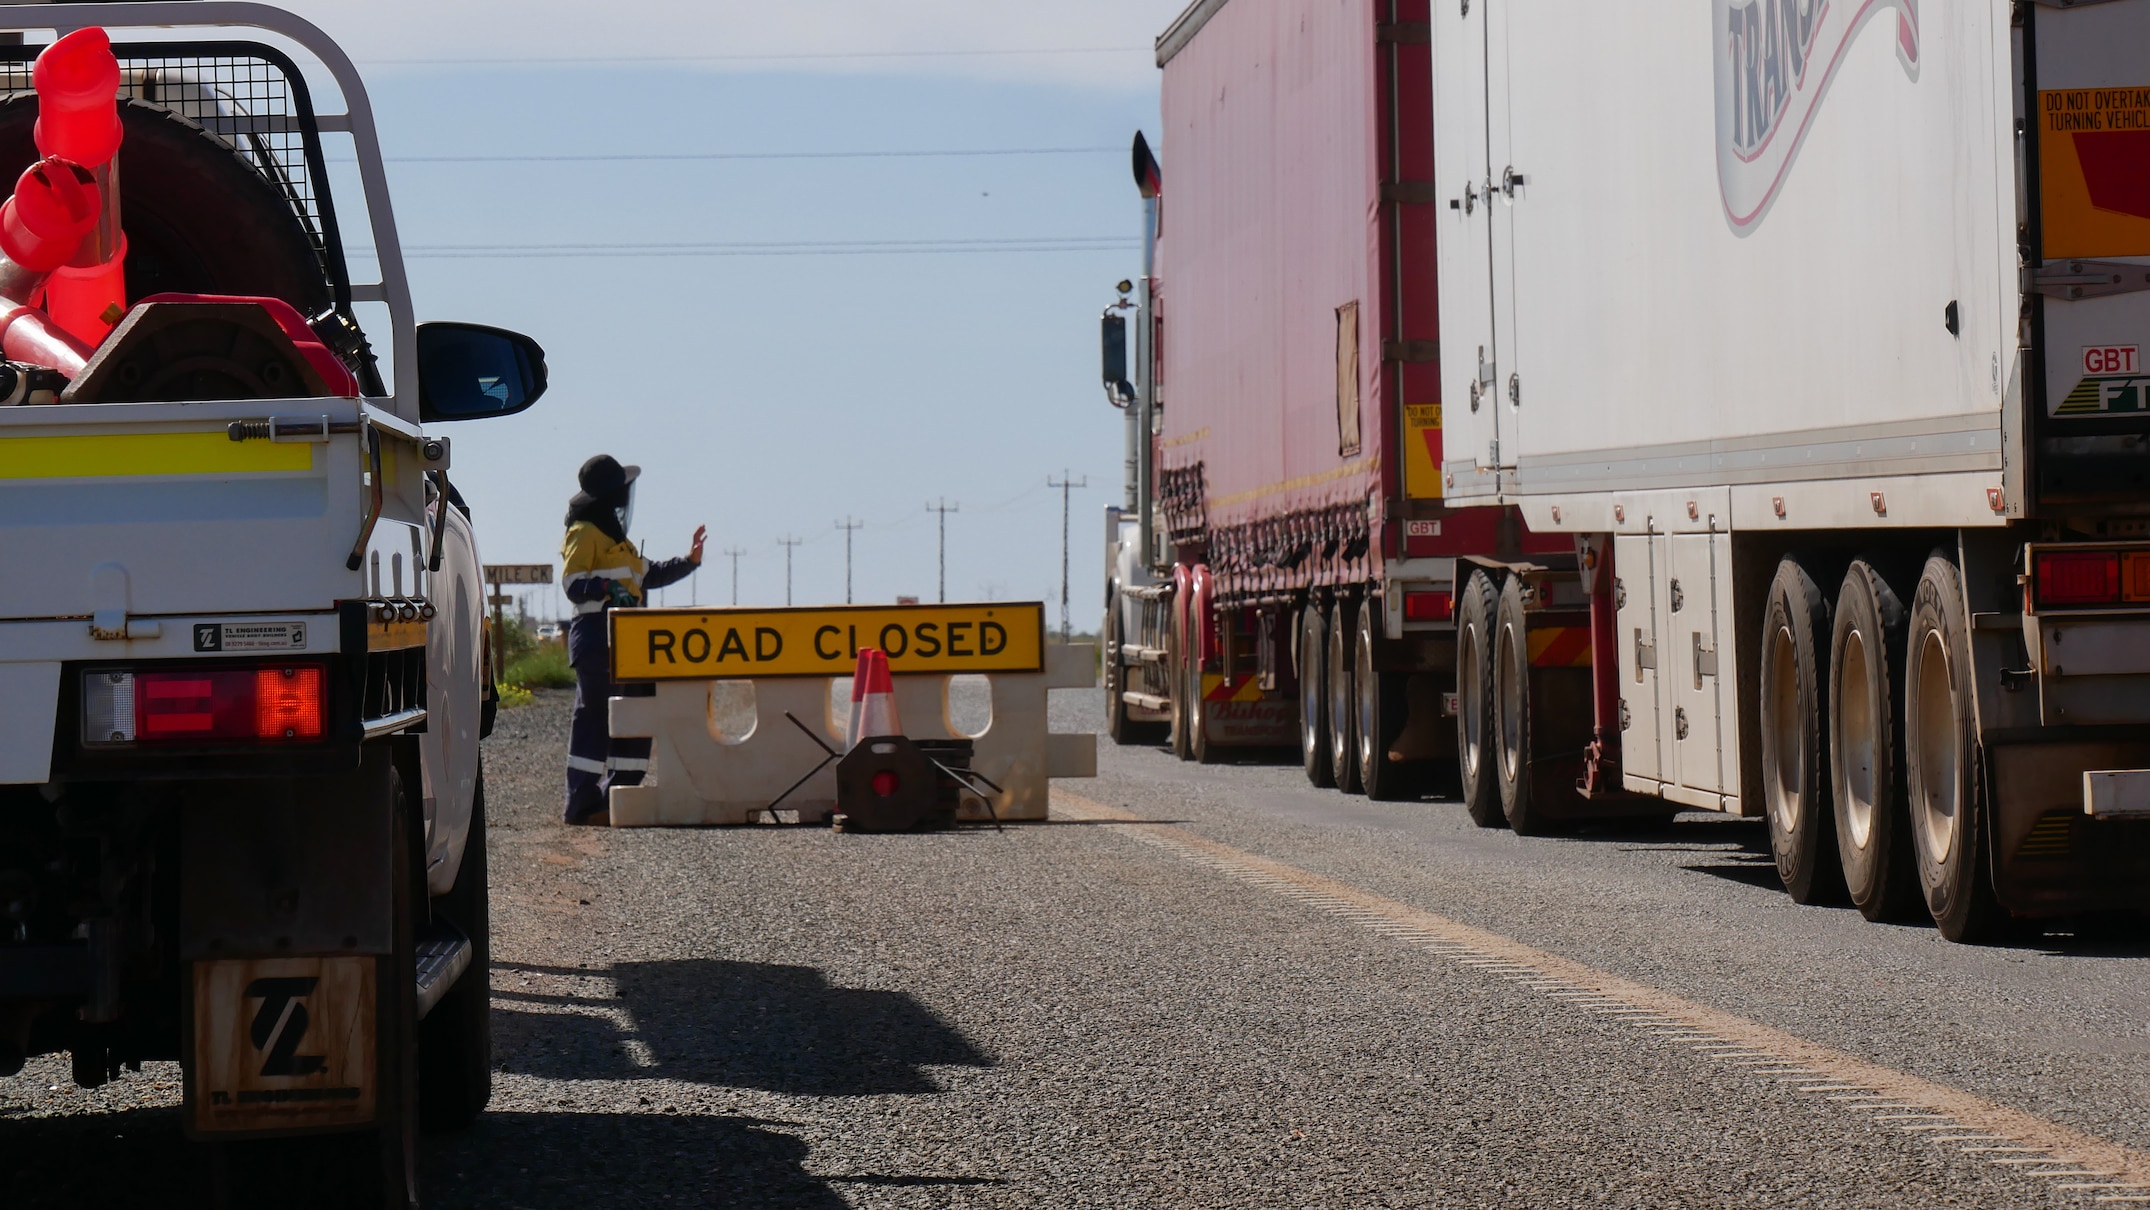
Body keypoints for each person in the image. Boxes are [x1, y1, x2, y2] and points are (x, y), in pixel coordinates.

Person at [560, 454, 705, 825]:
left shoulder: (619, 543)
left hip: (632, 646)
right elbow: (573, 585)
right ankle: (582, 806)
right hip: (597, 641)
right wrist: (608, 588)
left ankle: (618, 799)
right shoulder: (584, 533)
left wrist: (689, 560)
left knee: (635, 720)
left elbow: (648, 575)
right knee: (594, 721)